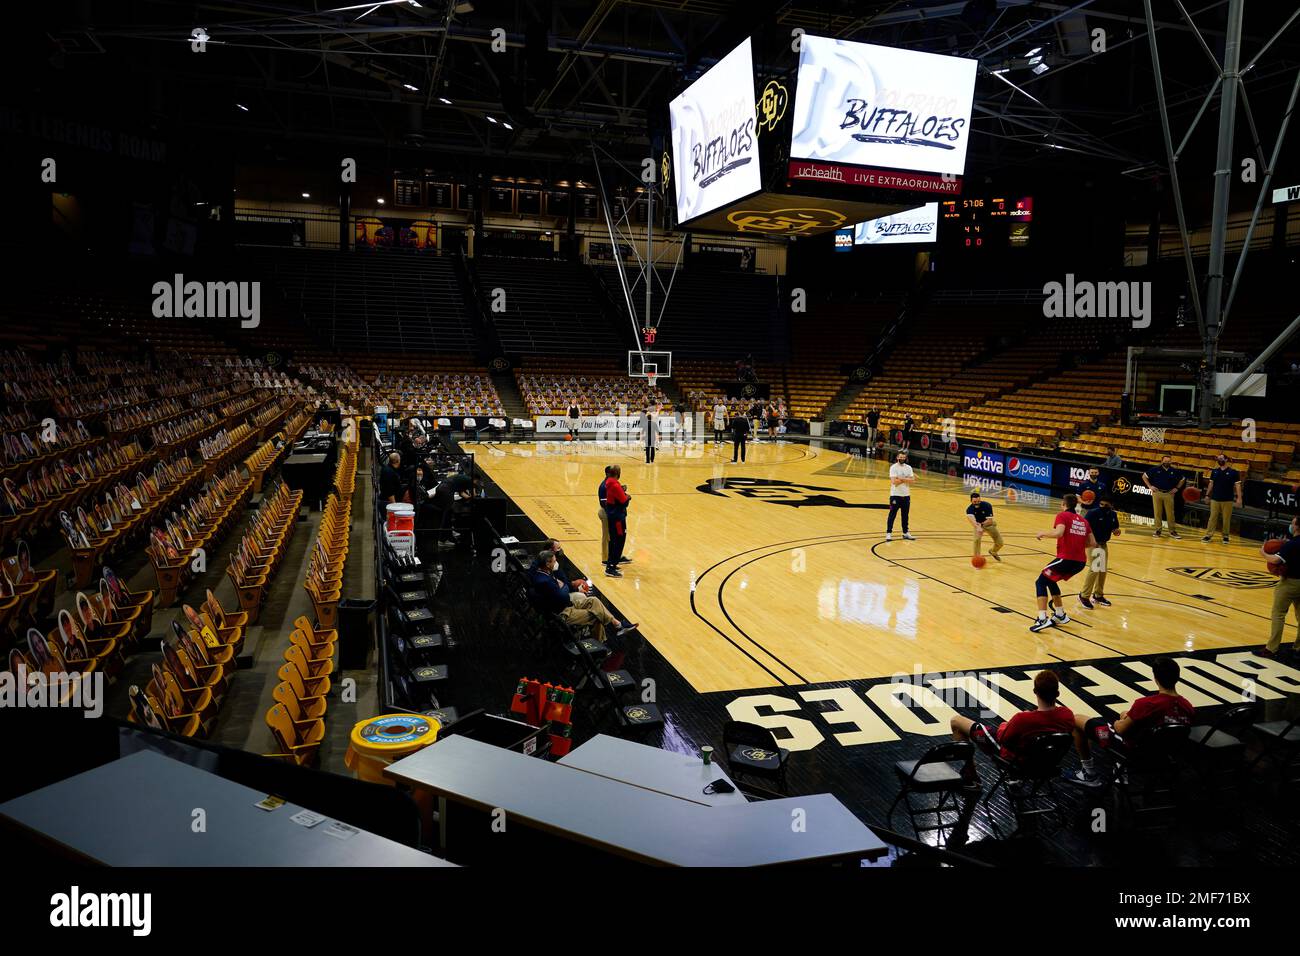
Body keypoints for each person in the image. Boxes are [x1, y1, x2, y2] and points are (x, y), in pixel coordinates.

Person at [1070, 657, 1194, 786]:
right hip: (1163, 755)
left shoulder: (1146, 704)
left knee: (1077, 719)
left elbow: (1120, 729)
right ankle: (1119, 768)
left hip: (1133, 753)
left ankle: (1089, 774)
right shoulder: (1187, 706)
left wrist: (1119, 721)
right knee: (1126, 714)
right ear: (1178, 678)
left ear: (1156, 679)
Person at [950, 669, 1074, 784]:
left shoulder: (1023, 719)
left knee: (956, 721)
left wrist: (1006, 725)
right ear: (1057, 693)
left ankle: (970, 777)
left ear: (1035, 692)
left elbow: (1002, 738)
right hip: (1047, 764)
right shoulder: (1067, 715)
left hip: (1018, 763)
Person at [528, 549, 636, 643]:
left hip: (562, 606)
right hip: (561, 614)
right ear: (547, 564)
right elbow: (564, 597)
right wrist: (564, 586)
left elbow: (561, 591)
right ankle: (598, 647)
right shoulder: (544, 581)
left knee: (593, 600)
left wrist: (562, 586)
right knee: (596, 616)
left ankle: (618, 625)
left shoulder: (541, 572)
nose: (556, 563)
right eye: (554, 561)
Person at [1030, 493, 1095, 632]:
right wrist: (1076, 544)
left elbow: (1059, 533)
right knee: (1050, 580)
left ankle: (1042, 618)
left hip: (1066, 558)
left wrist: (1043, 533)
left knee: (1040, 582)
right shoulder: (1084, 521)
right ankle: (1060, 614)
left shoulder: (1062, 516)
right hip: (1080, 562)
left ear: (1063, 505)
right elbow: (1092, 543)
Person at [1258, 513, 1300, 659]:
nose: (1291, 525)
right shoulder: (1290, 543)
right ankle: (1298, 647)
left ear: (1296, 527)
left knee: (1278, 614)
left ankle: (1271, 648)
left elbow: (1275, 560)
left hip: (1290, 583)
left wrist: (1263, 553)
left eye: (1293, 523)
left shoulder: (1291, 544)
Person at [1077, 495, 1121, 609]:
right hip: (1093, 544)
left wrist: (1116, 531)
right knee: (1095, 568)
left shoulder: (1113, 514)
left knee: (1102, 570)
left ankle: (1098, 595)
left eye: (1106, 505)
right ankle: (1084, 595)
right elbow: (1084, 527)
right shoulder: (1092, 513)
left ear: (1111, 505)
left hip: (1103, 544)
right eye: (1101, 504)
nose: (1103, 507)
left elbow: (1115, 528)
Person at [1202, 453, 1242, 544]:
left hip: (1228, 499)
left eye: (1221, 458)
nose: (1219, 460)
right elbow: (1211, 484)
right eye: (1218, 459)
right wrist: (1207, 495)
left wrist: (1239, 498)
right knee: (1212, 518)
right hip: (1215, 498)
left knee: (1226, 519)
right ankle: (1208, 535)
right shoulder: (1215, 471)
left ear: (1226, 460)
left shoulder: (1233, 472)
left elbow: (1238, 485)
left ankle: (1225, 536)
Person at [1143, 454, 1185, 539]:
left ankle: (1172, 531)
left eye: (1168, 461)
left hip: (1169, 494)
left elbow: (1183, 479)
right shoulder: (1155, 469)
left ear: (1171, 462)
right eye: (1165, 461)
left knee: (1170, 514)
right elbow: (1144, 476)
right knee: (1157, 512)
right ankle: (1158, 530)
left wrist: (1177, 488)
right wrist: (1150, 486)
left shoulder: (1174, 470)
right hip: (1157, 493)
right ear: (1162, 461)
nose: (1167, 462)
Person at [603, 465, 631, 576]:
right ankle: (611, 567)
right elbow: (624, 501)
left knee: (614, 540)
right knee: (618, 541)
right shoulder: (615, 485)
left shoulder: (609, 482)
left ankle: (612, 564)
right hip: (618, 518)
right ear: (618, 474)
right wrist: (628, 496)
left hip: (613, 516)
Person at [886, 451, 916, 542]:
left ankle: (905, 532)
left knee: (905, 515)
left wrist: (900, 479)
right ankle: (888, 533)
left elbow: (913, 481)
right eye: (901, 457)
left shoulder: (909, 467)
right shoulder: (893, 467)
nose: (902, 459)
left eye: (904, 457)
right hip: (895, 495)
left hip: (906, 495)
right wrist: (906, 479)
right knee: (892, 514)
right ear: (897, 457)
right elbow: (894, 482)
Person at [966, 490, 1003, 561]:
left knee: (1000, 543)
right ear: (971, 501)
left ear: (980, 499)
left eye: (978, 501)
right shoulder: (969, 510)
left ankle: (993, 551)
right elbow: (972, 520)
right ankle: (977, 558)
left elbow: (990, 521)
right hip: (978, 525)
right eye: (974, 502)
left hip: (988, 524)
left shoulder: (987, 505)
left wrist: (981, 525)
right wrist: (978, 527)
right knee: (976, 540)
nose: (977, 503)